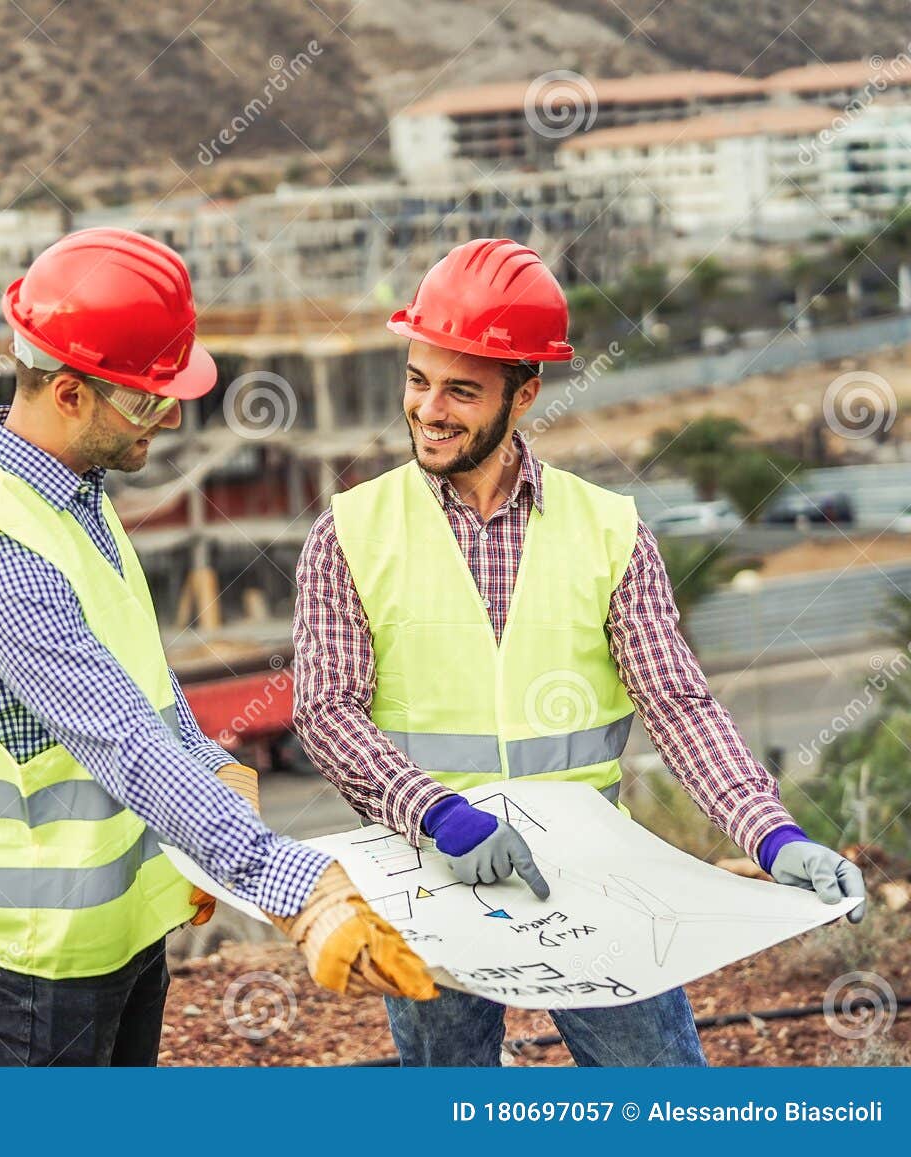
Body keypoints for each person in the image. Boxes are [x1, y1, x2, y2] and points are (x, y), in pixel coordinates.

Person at [292, 237, 866, 1067]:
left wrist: (773, 836)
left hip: (591, 882)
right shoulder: (348, 532)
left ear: (523, 395)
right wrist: (442, 816)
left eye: (461, 389)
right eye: (417, 380)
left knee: (661, 1103)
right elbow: (327, 712)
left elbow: (677, 705)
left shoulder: (609, 530)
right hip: (428, 877)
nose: (429, 408)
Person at [0, 227, 436, 1067]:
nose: (171, 413)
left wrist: (210, 797)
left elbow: (141, 700)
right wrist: (290, 888)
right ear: (71, 393)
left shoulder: (75, 495)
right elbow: (118, 741)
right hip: (39, 958)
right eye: (148, 396)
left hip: (119, 925)